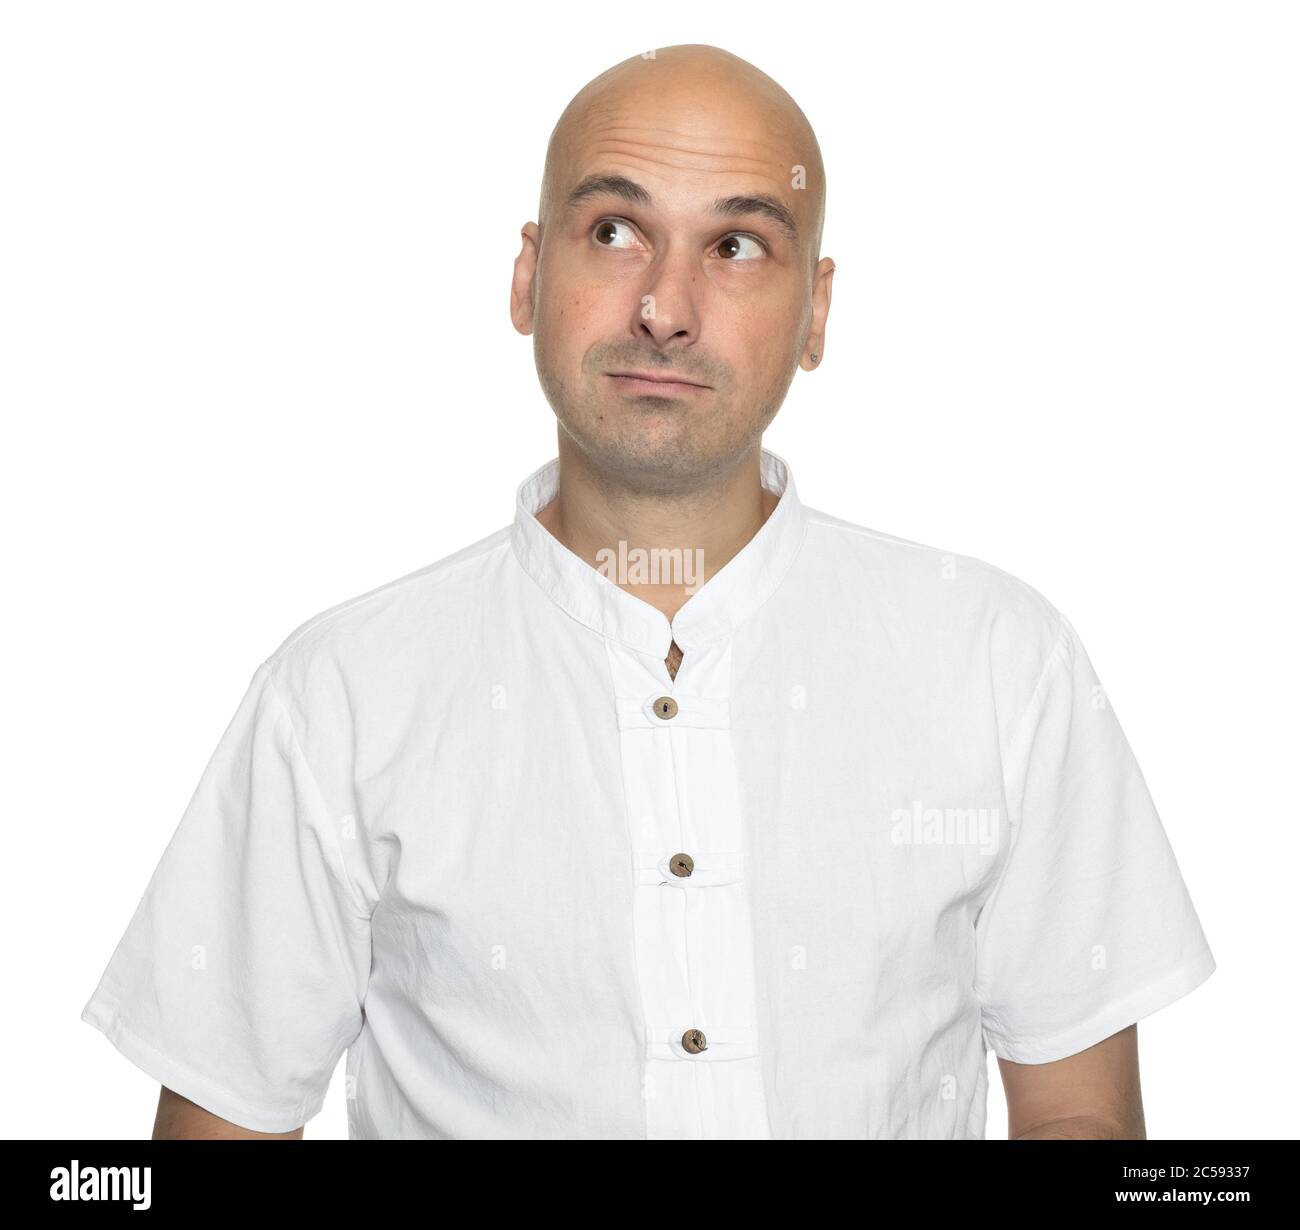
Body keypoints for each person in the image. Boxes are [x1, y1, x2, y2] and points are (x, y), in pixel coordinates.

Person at [81, 43, 1215, 1140]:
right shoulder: (337, 695)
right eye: (614, 231)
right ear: (530, 275)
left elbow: (1078, 1112)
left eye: (735, 245)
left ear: (815, 313)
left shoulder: (998, 661)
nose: (664, 309)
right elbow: (223, 1126)